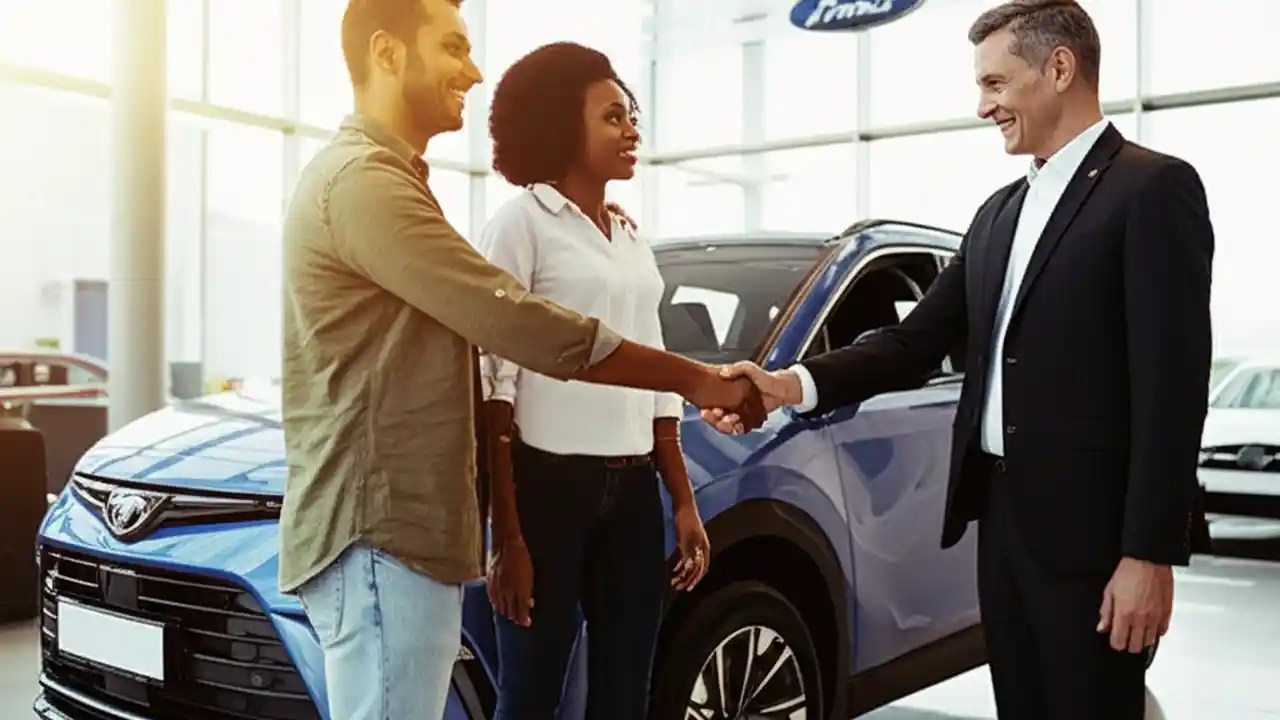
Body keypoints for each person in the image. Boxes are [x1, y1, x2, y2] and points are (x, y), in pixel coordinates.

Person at [707, 1, 1214, 718]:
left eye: (996, 83)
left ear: (1060, 68)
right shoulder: (999, 212)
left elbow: (1174, 386)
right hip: (1002, 528)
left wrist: (1149, 555)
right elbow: (913, 343)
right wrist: (787, 382)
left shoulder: (1152, 189)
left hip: (1095, 545)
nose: (984, 106)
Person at [278, 2, 765, 719]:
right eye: (452, 48)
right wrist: (699, 379)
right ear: (387, 53)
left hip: (408, 530)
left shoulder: (395, 183)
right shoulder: (364, 184)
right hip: (382, 530)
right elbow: (513, 324)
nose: (473, 72)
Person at [474, 42, 709, 720]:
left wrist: (683, 501)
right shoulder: (521, 223)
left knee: (625, 694)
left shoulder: (630, 238)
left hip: (634, 491)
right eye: (613, 117)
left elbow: (658, 376)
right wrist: (507, 540)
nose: (631, 129)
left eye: (632, 115)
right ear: (558, 124)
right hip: (547, 488)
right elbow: (495, 384)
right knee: (529, 695)